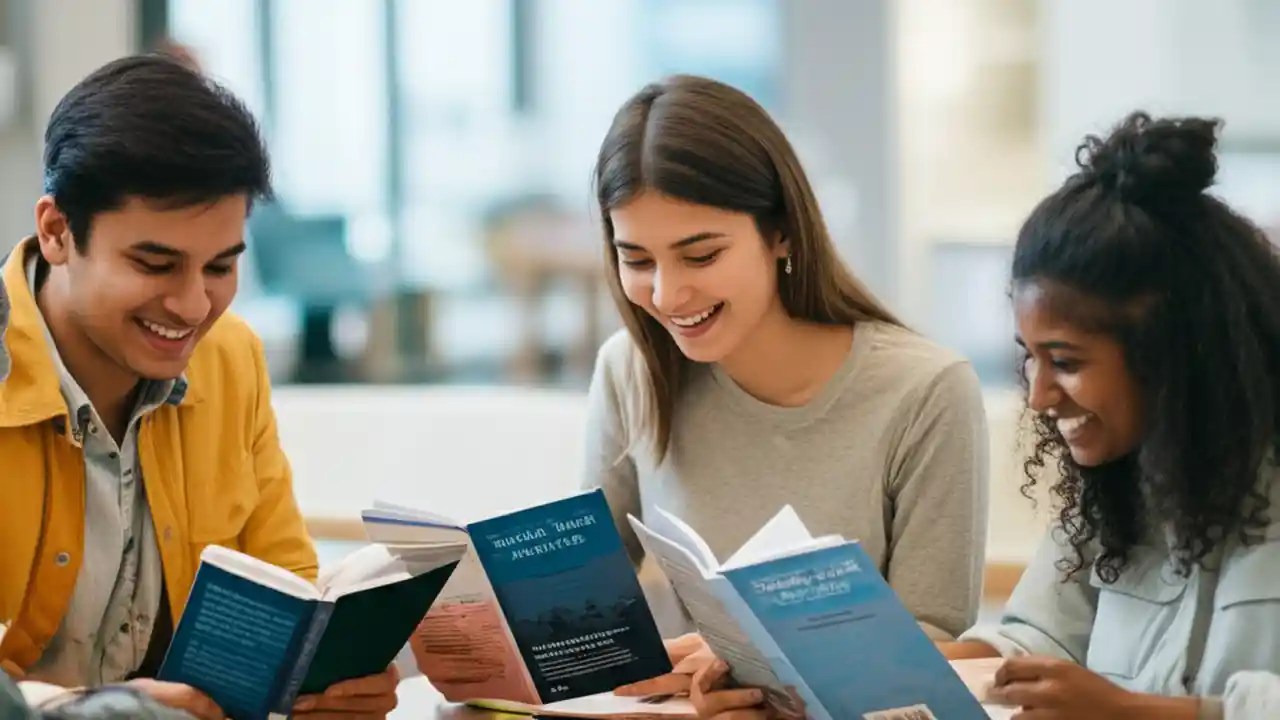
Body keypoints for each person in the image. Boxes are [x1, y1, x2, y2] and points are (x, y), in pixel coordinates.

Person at [693, 111, 1280, 719]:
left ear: (1175, 353)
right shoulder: (1114, 493)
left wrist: (1133, 712)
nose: (1040, 396)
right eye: (1029, 358)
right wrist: (807, 675)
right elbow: (1030, 647)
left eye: (1067, 361)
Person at [0, 54, 397, 719]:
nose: (191, 306)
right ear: (57, 230)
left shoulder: (229, 357)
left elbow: (288, 587)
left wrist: (326, 682)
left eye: (220, 266)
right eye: (155, 264)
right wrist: (90, 707)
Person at [581, 74, 990, 702]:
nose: (665, 294)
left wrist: (752, 668)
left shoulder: (927, 392)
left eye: (701, 255)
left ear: (783, 233)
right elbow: (587, 610)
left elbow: (933, 644)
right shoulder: (630, 368)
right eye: (637, 260)